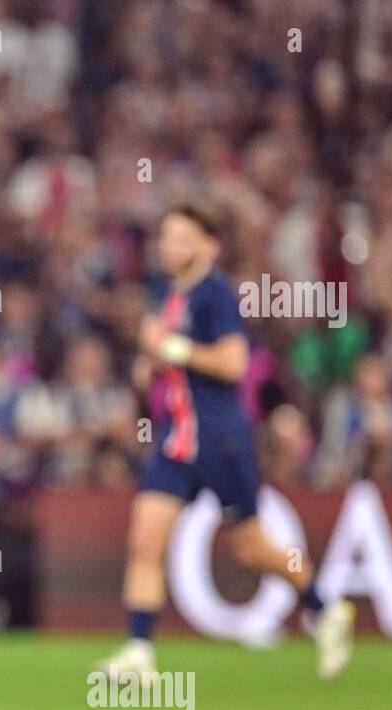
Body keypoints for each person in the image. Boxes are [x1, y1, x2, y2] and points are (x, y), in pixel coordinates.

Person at [98, 203, 355, 682]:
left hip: (220, 442)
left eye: (181, 237)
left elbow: (234, 364)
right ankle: (139, 653)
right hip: (177, 441)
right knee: (144, 541)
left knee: (251, 548)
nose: (169, 246)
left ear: (208, 246)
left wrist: (170, 348)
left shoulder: (215, 295)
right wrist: (152, 364)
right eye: (166, 237)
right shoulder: (174, 296)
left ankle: (325, 605)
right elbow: (173, 365)